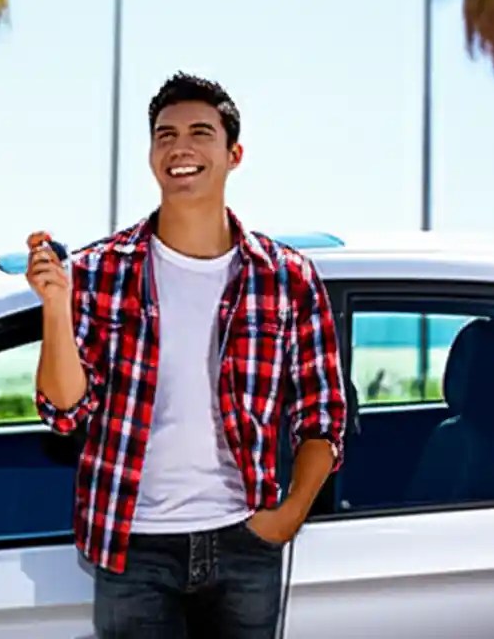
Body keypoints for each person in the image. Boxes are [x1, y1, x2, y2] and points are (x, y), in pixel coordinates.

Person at [26, 72, 346, 638]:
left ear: (233, 154)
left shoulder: (286, 278)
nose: (180, 148)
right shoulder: (101, 272)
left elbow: (322, 414)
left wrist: (290, 513)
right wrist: (57, 305)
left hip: (246, 541)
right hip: (134, 545)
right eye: (164, 134)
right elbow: (65, 411)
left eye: (201, 132)